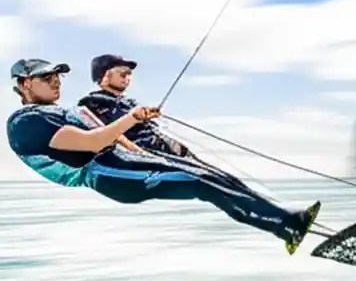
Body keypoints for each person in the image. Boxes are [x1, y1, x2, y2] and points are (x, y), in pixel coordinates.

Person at [7, 58, 321, 254]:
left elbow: (116, 138)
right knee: (199, 182)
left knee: (209, 174)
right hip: (103, 173)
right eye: (47, 78)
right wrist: (133, 117)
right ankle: (285, 226)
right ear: (24, 84)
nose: (56, 82)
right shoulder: (25, 124)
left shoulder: (70, 111)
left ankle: (287, 218)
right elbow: (92, 142)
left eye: (58, 77)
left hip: (124, 160)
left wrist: (147, 151)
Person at [78, 54, 197, 159]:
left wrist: (147, 116)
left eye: (129, 74)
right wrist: (141, 155)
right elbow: (107, 134)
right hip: (148, 158)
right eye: (122, 74)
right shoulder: (91, 102)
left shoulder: (128, 102)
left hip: (169, 149)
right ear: (105, 75)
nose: (127, 78)